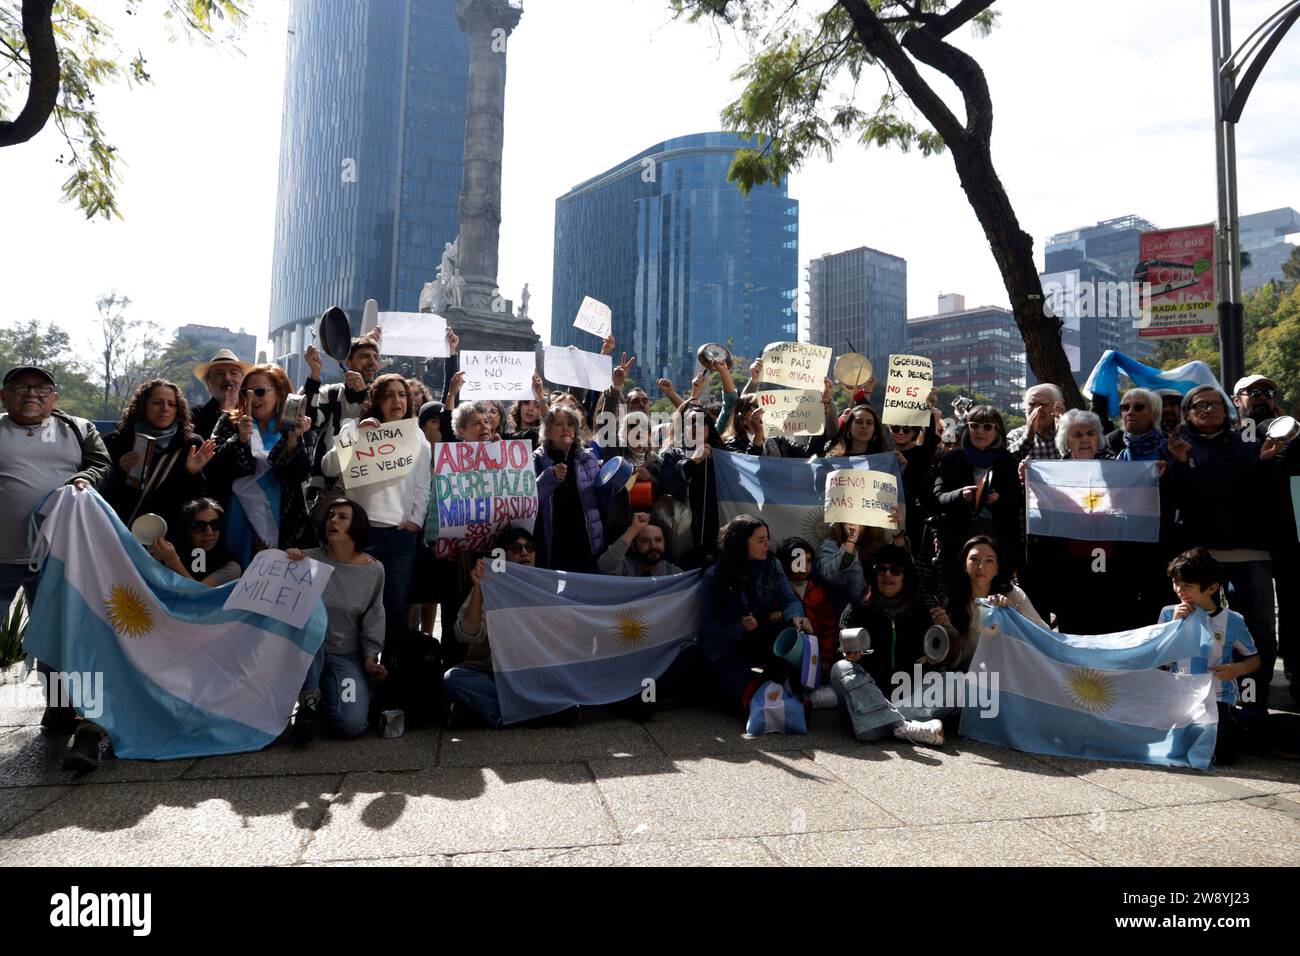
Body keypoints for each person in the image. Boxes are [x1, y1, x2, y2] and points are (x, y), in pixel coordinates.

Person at [0, 365, 110, 760]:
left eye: (41, 388)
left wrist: (85, 479)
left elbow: (102, 464)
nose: (31, 393)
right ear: (3, 396)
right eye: (20, 387)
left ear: (54, 398)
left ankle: (62, 708)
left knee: (60, 637)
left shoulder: (77, 428)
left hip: (58, 557)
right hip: (1, 557)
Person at [1163, 383, 1283, 713]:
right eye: (1199, 406)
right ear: (1187, 414)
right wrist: (1180, 463)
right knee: (1201, 626)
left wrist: (1268, 462)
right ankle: (1208, 705)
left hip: (1252, 553)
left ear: (1227, 410)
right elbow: (1175, 499)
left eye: (1214, 404)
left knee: (1258, 628)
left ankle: (1254, 705)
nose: (1208, 410)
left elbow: (1268, 495)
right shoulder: (1176, 447)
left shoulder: (1249, 444)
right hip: (1204, 559)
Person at [321, 373, 430, 630]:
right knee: (354, 609)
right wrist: (355, 437)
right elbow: (328, 467)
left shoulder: (416, 437)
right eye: (389, 395)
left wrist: (416, 520)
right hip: (359, 534)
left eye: (402, 394)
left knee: (395, 611)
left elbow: (422, 485)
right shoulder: (355, 428)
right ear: (376, 400)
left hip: (400, 536)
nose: (397, 400)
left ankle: (391, 667)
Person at [444, 527, 580, 728]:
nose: (525, 553)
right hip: (493, 673)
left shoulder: (546, 586)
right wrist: (478, 588)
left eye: (530, 548)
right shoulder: (490, 585)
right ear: (503, 554)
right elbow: (466, 634)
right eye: (516, 548)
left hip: (533, 672)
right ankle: (528, 714)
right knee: (454, 678)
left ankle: (497, 714)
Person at [286, 499, 386, 744]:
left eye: (343, 517)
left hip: (345, 655)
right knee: (313, 622)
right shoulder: (305, 560)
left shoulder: (373, 570)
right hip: (307, 652)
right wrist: (287, 562)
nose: (333, 520)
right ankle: (309, 703)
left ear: (357, 526)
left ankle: (326, 699)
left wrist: (371, 657)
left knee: (351, 724)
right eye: (331, 515)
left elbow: (374, 615)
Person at [831, 545, 950, 745]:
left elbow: (937, 664)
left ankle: (891, 723)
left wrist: (945, 633)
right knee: (840, 669)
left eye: (895, 570)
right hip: (869, 700)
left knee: (957, 681)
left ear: (906, 576)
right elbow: (839, 650)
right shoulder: (857, 609)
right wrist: (847, 654)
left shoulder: (923, 612)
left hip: (908, 699)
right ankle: (903, 727)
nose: (887, 575)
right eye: (881, 570)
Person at [699, 515, 813, 715]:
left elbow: (789, 599)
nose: (768, 544)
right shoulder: (715, 576)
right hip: (726, 648)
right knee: (751, 703)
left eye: (767, 538)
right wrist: (739, 627)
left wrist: (796, 616)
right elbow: (707, 631)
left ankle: (786, 688)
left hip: (758, 637)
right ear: (742, 543)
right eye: (761, 540)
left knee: (790, 633)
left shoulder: (771, 564)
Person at [1158, 547, 1260, 765]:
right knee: (1170, 749)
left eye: (1187, 585)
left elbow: (1254, 659)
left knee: (1224, 755)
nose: (1179, 590)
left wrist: (1237, 670)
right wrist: (1174, 626)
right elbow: (1160, 658)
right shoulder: (1169, 613)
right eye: (1176, 583)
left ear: (1212, 587)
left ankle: (1239, 725)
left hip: (1217, 698)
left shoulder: (1232, 620)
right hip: (1178, 698)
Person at [208, 363, 317, 565]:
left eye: (260, 392)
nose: (253, 398)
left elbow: (300, 475)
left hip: (283, 519)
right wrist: (239, 439)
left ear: (279, 392)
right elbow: (214, 470)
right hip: (238, 515)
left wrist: (294, 441)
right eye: (246, 392)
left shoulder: (295, 425)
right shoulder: (229, 422)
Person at [102, 379, 216, 533]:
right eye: (157, 403)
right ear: (143, 406)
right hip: (123, 531)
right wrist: (119, 470)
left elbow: (200, 500)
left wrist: (193, 473)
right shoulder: (115, 441)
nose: (165, 409)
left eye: (172, 404)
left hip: (171, 533)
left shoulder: (191, 443)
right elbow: (100, 494)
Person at [931, 405, 1022, 593]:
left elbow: (1017, 501)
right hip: (958, 540)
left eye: (987, 427)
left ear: (997, 431)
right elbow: (939, 497)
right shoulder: (951, 459)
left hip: (997, 539)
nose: (980, 432)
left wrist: (998, 500)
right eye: (974, 426)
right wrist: (961, 494)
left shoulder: (1008, 461)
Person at [302, 332, 382, 503]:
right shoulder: (330, 393)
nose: (372, 362)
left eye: (376, 357)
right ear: (348, 362)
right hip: (325, 486)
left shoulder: (381, 399)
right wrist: (315, 374)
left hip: (367, 488)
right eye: (365, 356)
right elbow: (310, 421)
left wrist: (363, 395)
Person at [948, 536, 1045, 670]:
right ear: (965, 565)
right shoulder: (955, 602)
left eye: (989, 560)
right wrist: (948, 633)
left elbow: (1044, 633)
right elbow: (958, 661)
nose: (981, 566)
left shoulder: (1013, 594)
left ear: (997, 569)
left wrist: (1014, 614)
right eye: (974, 559)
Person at [657, 398, 728, 569]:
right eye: (690, 423)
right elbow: (669, 486)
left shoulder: (724, 456)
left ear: (709, 427)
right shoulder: (673, 454)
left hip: (719, 537)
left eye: (701, 422)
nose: (695, 427)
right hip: (684, 540)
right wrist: (693, 461)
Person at [534, 405, 604, 572]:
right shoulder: (536, 460)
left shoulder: (588, 458)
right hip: (553, 546)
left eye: (570, 424)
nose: (565, 428)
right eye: (558, 424)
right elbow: (529, 500)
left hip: (586, 545)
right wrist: (549, 478)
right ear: (548, 431)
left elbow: (601, 499)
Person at [776, 536, 838, 683]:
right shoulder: (779, 590)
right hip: (788, 657)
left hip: (816, 655)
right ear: (786, 564)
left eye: (808, 561)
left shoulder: (819, 590)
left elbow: (829, 627)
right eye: (799, 561)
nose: (804, 566)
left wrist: (826, 658)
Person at [148, 497, 242, 586]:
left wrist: (172, 561)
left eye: (215, 524)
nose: (209, 532)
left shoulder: (230, 566)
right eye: (199, 526)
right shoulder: (168, 550)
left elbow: (198, 595)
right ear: (186, 530)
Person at [191, 349, 251, 439]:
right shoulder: (195, 415)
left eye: (233, 373)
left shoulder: (254, 412)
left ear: (243, 381)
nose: (227, 378)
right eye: (220, 374)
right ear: (208, 383)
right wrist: (222, 416)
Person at [598, 512, 682, 576]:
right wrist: (633, 529)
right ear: (634, 546)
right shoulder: (625, 567)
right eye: (645, 541)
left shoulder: (673, 573)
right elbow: (604, 567)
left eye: (658, 540)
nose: (653, 546)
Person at [1102, 387, 1168, 462]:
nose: (1130, 412)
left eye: (1138, 407)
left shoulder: (1171, 448)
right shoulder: (1109, 444)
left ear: (1154, 414)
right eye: (1125, 407)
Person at [1006, 383, 1065, 462]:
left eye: (1043, 404)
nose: (1037, 409)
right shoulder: (1015, 435)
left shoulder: (1072, 433)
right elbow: (1008, 461)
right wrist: (1029, 436)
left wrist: (1063, 433)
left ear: (1057, 407)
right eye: (1032, 404)